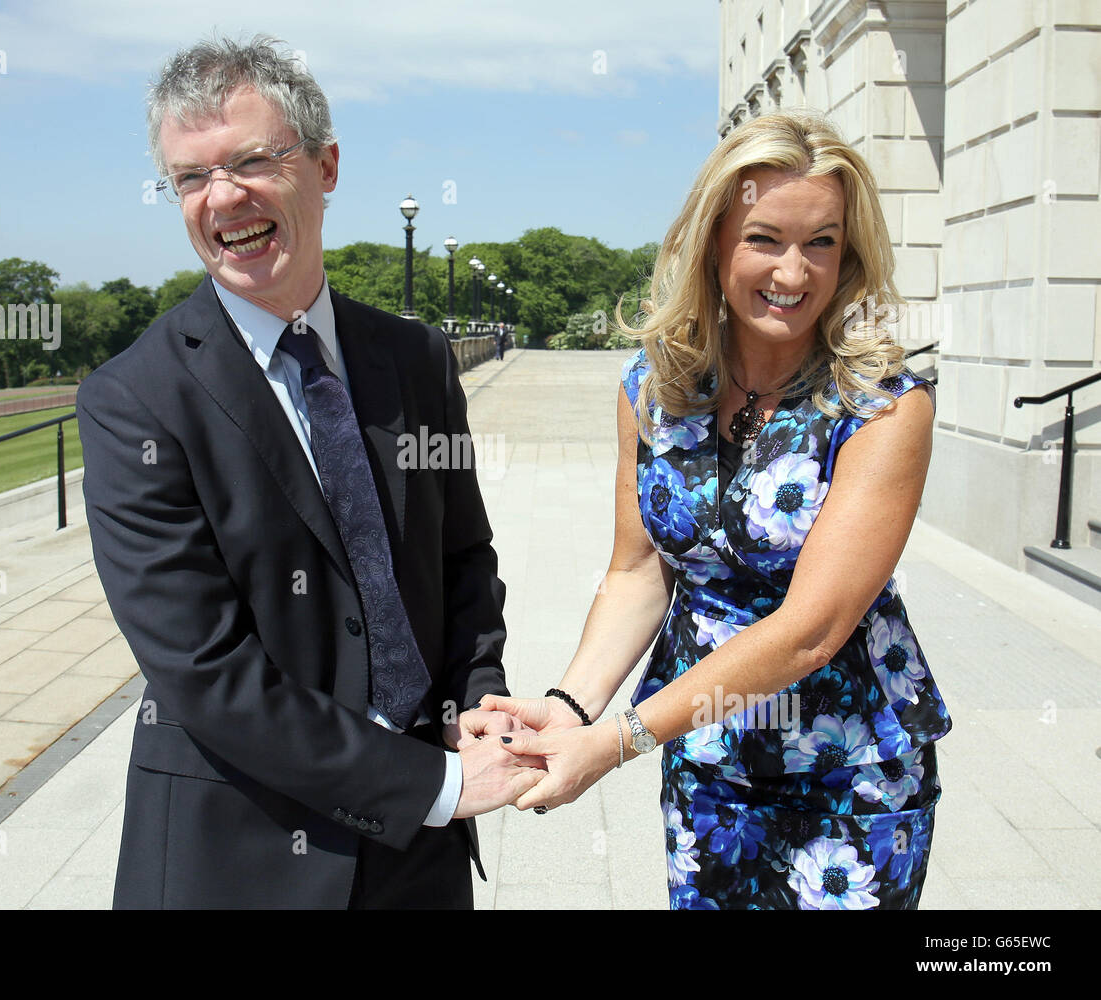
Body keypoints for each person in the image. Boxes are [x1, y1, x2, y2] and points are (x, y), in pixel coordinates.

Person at [77, 35, 541, 909]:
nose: (222, 198)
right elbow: (206, 670)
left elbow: (462, 560)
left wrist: (476, 701)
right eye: (190, 176)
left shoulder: (415, 358)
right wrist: (434, 786)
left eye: (252, 160)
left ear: (325, 166)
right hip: (243, 860)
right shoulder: (132, 400)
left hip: (422, 862)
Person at [485, 111, 951, 909]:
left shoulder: (883, 408)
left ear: (852, 254)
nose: (794, 273)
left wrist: (619, 740)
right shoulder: (653, 386)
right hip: (707, 763)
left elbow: (810, 631)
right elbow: (637, 572)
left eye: (822, 243)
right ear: (712, 243)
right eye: (764, 238)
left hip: (851, 775)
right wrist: (570, 707)